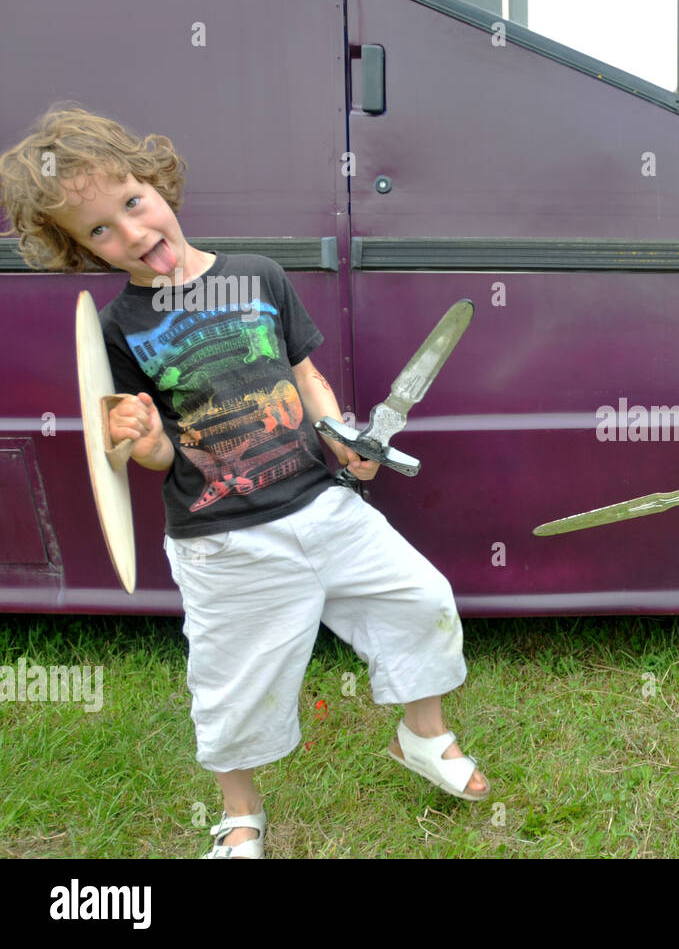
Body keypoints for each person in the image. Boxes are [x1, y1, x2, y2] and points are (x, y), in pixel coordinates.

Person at [0, 107, 489, 858]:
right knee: (233, 687)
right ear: (79, 250)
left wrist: (342, 436)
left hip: (320, 502)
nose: (130, 233)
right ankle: (240, 814)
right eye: (99, 230)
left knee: (422, 599)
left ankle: (422, 736)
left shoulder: (260, 277)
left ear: (158, 184)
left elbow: (307, 376)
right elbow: (153, 456)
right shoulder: (115, 332)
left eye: (132, 203)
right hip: (220, 539)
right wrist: (149, 439)